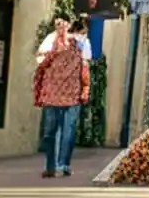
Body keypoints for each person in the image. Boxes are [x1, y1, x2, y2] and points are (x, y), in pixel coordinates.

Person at [33, 13, 89, 178]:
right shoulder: (50, 40)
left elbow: (85, 66)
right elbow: (40, 63)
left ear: (69, 23)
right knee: (50, 132)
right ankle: (51, 166)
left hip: (72, 94)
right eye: (57, 23)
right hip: (52, 93)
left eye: (63, 22)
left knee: (68, 131)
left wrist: (84, 89)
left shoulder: (80, 42)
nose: (60, 25)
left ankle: (63, 164)